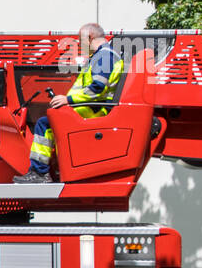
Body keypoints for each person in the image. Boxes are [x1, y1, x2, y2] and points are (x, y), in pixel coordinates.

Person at [15, 23, 125, 182]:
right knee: (51, 122)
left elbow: (96, 89)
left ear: (90, 37)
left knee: (45, 124)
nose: (80, 45)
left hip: (93, 109)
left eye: (81, 41)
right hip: (91, 107)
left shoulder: (104, 56)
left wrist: (67, 100)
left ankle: (39, 173)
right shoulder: (103, 56)